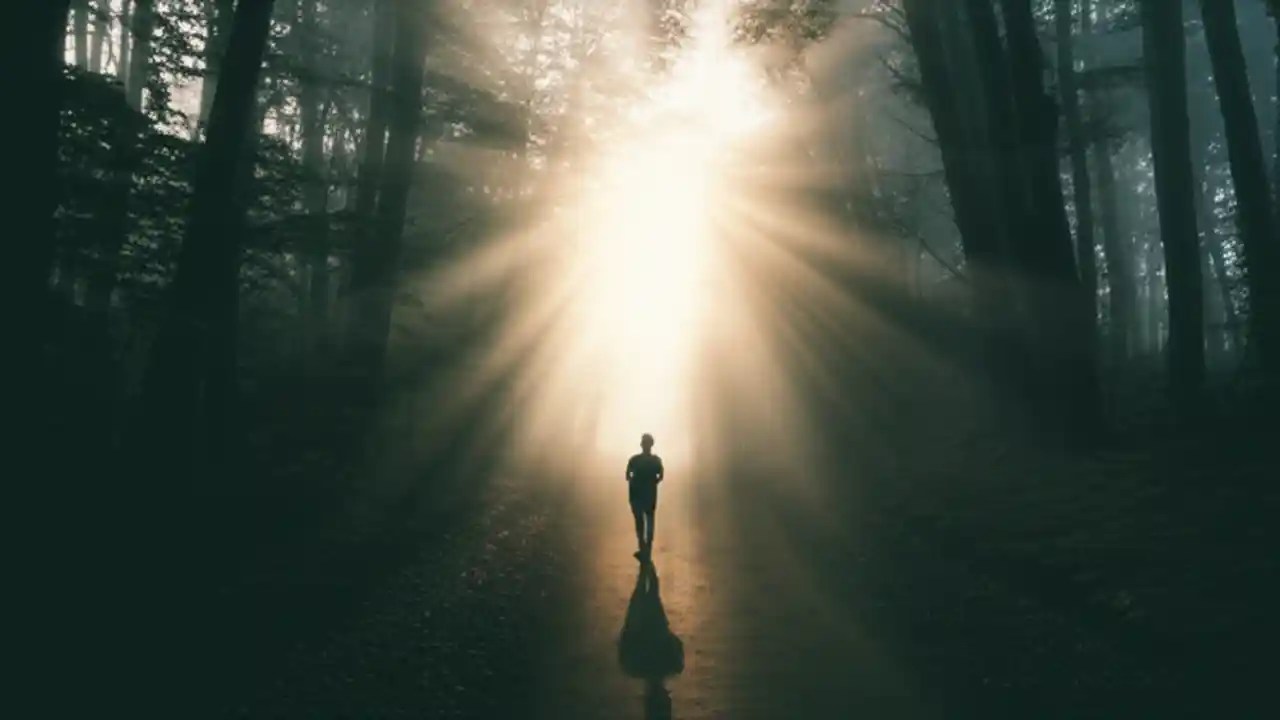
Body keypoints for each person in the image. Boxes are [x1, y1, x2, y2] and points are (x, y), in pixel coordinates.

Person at [626, 433, 664, 559]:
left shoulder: (634, 460)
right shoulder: (656, 461)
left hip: (636, 494)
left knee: (640, 521)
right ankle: (647, 548)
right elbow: (660, 476)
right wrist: (652, 483)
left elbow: (628, 476)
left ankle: (642, 547)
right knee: (649, 520)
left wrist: (634, 483)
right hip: (649, 493)